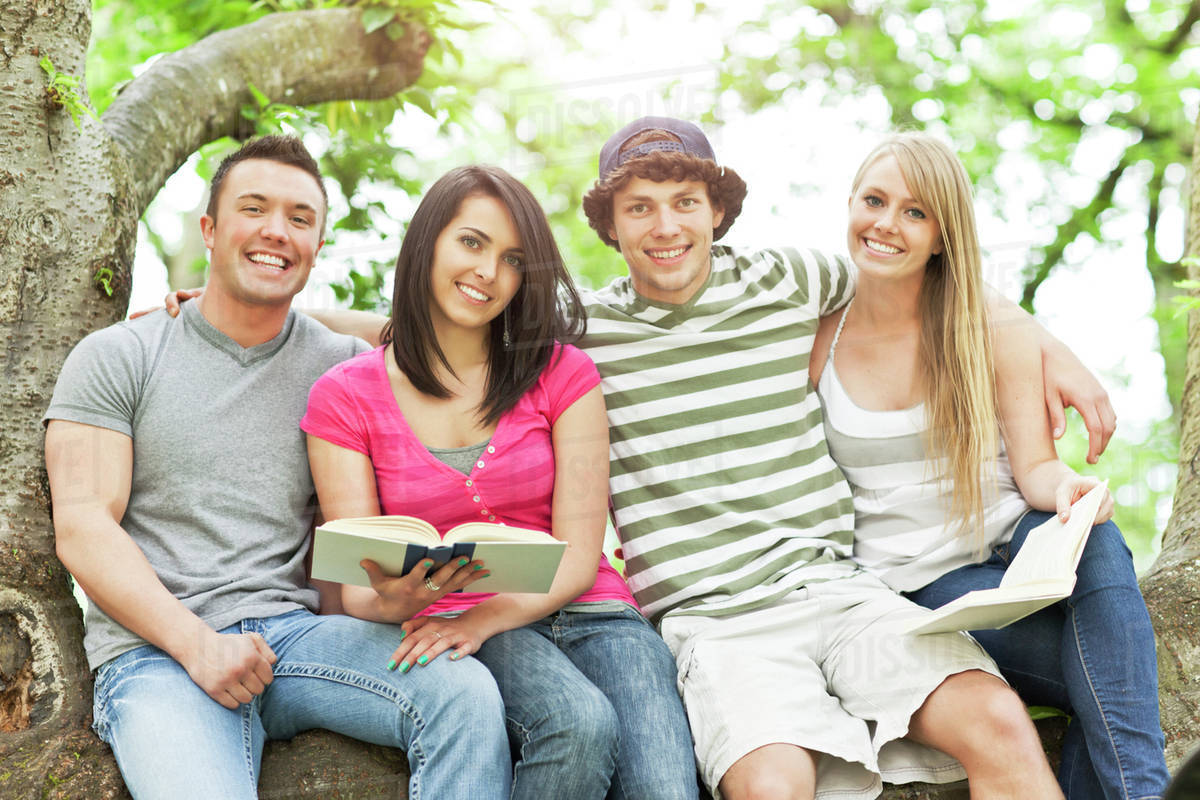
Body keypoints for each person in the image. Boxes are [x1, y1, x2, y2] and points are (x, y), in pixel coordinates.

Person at [575, 116, 1082, 800]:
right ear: (611, 223)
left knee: (997, 721)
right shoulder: (578, 328)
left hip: (840, 590)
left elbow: (927, 272)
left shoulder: (790, 278)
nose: (665, 226)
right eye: (639, 207)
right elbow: (435, 325)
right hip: (717, 622)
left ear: (716, 209)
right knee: (772, 784)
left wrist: (1053, 347)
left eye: (684, 202)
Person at [43, 136, 510, 800]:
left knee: (461, 692)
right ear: (209, 228)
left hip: (299, 641)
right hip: (157, 655)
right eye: (254, 209)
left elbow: (444, 336)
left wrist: (288, 306)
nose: (276, 231)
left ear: (318, 244)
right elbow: (84, 527)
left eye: (299, 219)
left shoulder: (343, 368)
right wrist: (196, 644)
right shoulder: (120, 355)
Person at [300, 164, 698, 800]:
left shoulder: (563, 373)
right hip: (454, 616)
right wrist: (399, 601)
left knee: (665, 789)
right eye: (471, 242)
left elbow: (577, 551)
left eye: (512, 258)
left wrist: (482, 622)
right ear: (428, 242)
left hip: (592, 611)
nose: (488, 271)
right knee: (574, 724)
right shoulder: (344, 398)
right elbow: (358, 591)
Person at [809, 131, 1169, 800]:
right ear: (850, 205)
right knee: (1109, 691)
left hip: (1020, 545)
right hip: (920, 589)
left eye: (915, 212)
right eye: (875, 200)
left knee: (1097, 537)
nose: (887, 223)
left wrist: (1074, 489)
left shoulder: (992, 325)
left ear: (943, 235)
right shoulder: (817, 336)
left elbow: (1036, 471)